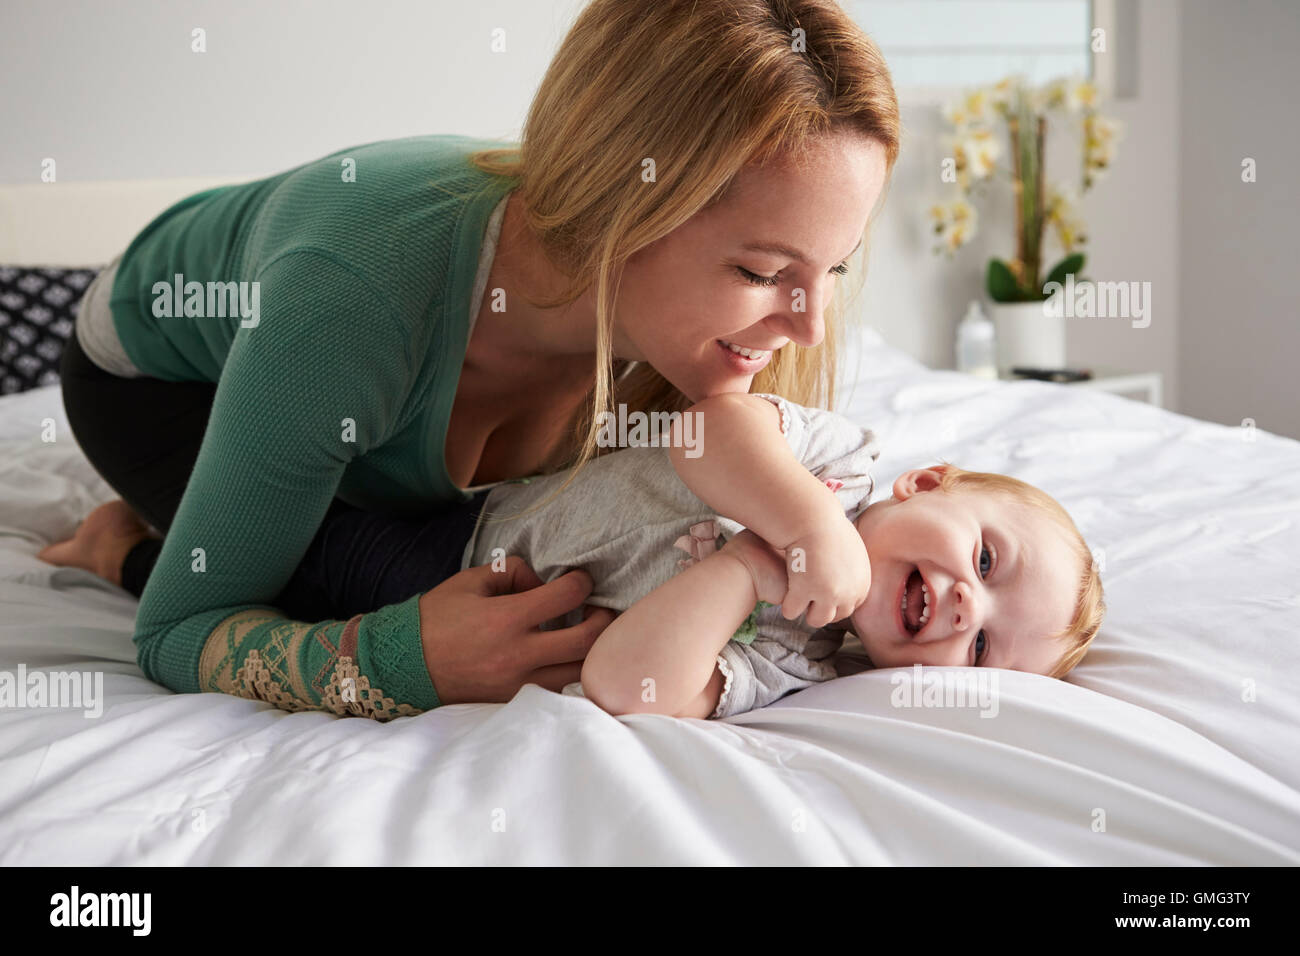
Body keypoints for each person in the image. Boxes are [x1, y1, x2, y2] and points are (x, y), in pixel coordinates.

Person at [37, 0, 901, 719]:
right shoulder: (346, 305)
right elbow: (174, 635)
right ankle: (118, 542)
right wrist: (391, 660)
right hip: (163, 383)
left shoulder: (708, 359)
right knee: (345, 578)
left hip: (340, 366)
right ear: (615, 211)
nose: (812, 327)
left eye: (836, 267)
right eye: (760, 271)